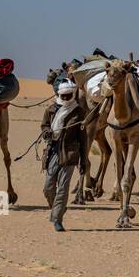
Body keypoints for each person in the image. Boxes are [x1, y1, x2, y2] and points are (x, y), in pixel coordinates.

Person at [40, 80, 87, 232]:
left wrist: (83, 160)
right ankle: (57, 209)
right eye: (63, 96)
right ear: (59, 95)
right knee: (48, 187)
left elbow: (83, 138)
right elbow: (44, 125)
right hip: (53, 151)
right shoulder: (51, 109)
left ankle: (58, 219)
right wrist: (46, 131)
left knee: (63, 188)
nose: (66, 99)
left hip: (70, 154)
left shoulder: (78, 112)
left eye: (68, 96)